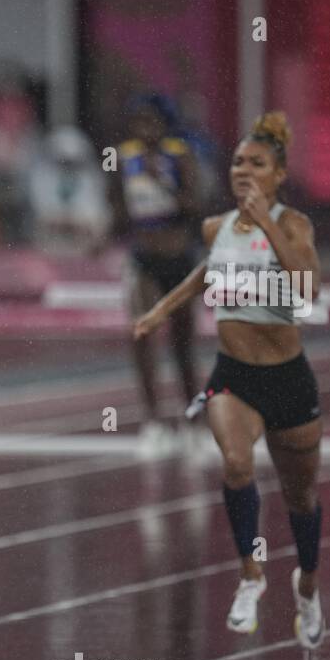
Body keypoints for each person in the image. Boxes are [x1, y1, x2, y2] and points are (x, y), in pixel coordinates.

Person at [134, 111, 326, 649]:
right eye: (239, 162)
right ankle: (250, 576)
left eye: (257, 164)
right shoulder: (215, 229)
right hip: (233, 374)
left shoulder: (293, 225)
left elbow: (308, 289)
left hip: (288, 379)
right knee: (238, 463)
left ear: (278, 174)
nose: (244, 171)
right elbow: (204, 275)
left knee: (301, 496)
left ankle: (307, 585)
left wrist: (265, 222)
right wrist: (157, 312)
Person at [113, 94, 200, 450]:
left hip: (178, 258)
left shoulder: (180, 156)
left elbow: (196, 205)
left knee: (182, 345)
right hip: (143, 259)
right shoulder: (124, 158)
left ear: (165, 125)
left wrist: (162, 182)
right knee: (142, 335)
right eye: (139, 123)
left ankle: (193, 421)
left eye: (152, 122)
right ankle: (153, 421)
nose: (145, 130)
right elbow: (118, 206)